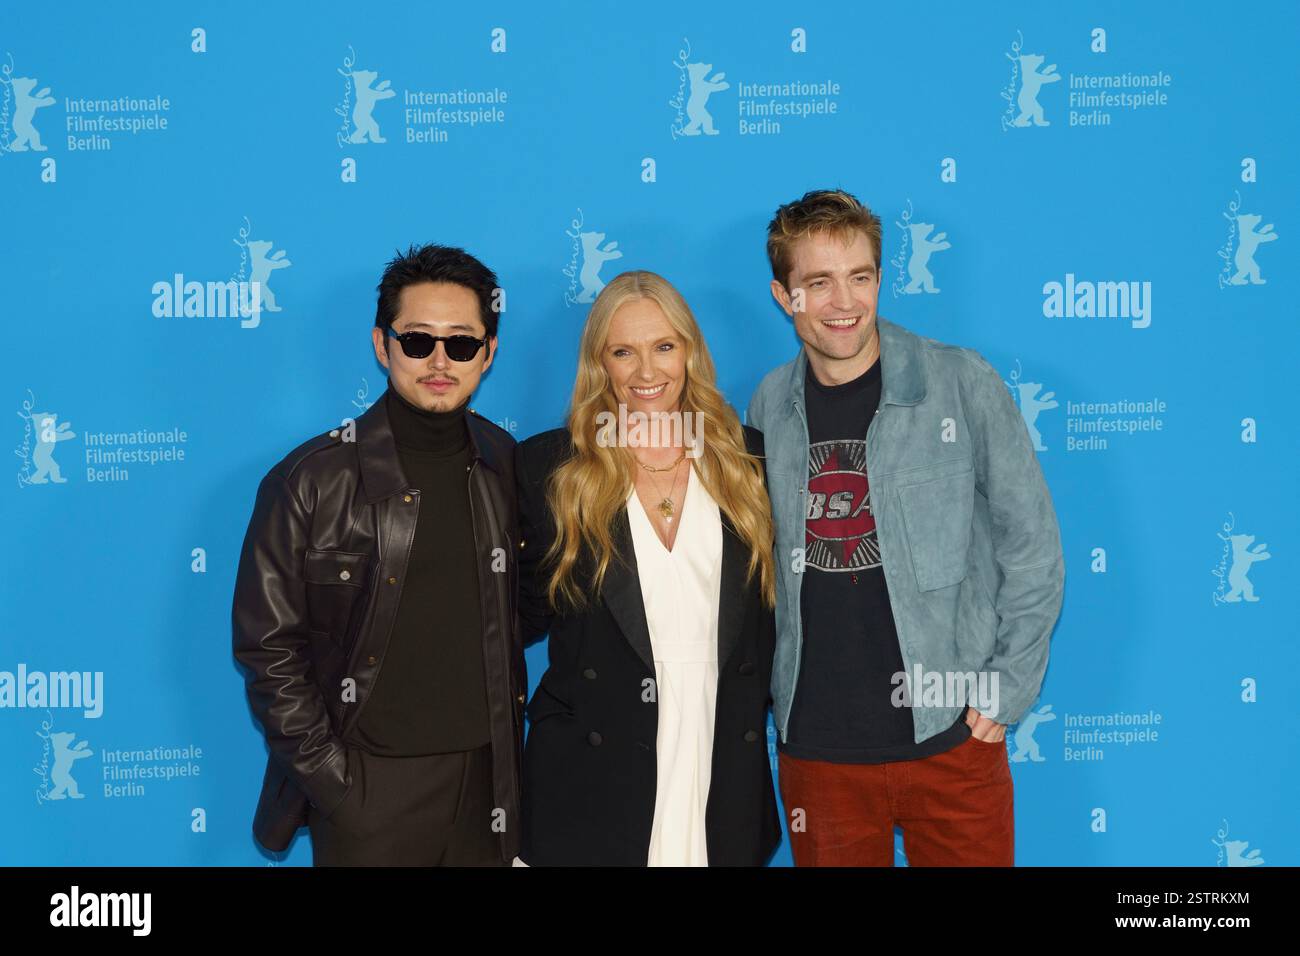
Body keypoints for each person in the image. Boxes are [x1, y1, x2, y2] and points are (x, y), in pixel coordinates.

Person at [747, 189, 1065, 866]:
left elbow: (1032, 546)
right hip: (818, 752)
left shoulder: (960, 383)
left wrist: (1008, 685)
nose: (843, 303)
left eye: (860, 277)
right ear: (784, 296)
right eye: (818, 282)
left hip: (951, 743)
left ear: (881, 278)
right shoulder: (769, 405)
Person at [231, 243, 524, 865]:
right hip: (367, 793)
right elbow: (268, 650)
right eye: (418, 341)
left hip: (488, 786)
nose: (439, 360)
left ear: (488, 353)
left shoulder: (506, 464)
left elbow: (527, 609)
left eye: (462, 343)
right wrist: (337, 787)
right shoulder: (310, 480)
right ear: (381, 344)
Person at [515, 270, 781, 866]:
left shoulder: (751, 459)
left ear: (690, 351)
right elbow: (513, 614)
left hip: (719, 767)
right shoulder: (550, 468)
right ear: (598, 364)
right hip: (590, 776)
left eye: (664, 346)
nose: (646, 372)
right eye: (622, 352)